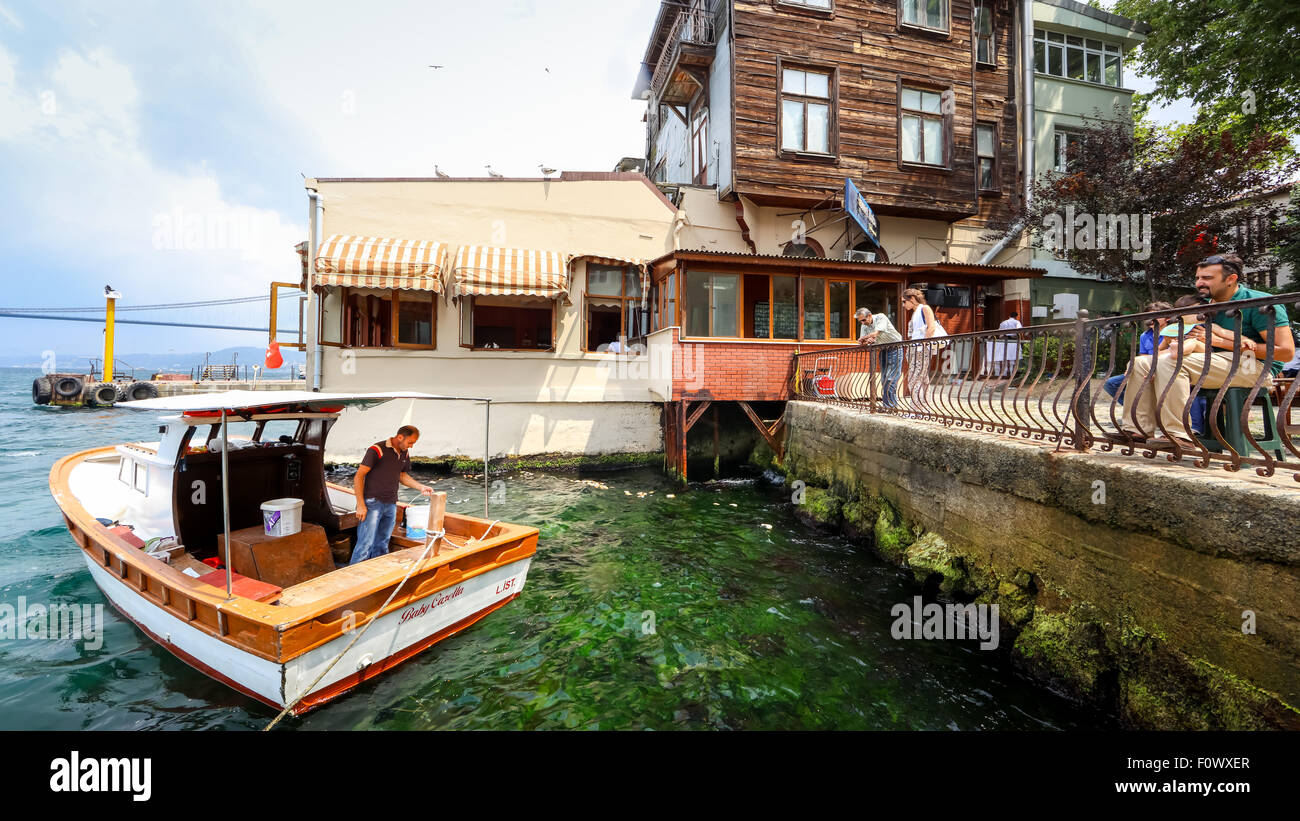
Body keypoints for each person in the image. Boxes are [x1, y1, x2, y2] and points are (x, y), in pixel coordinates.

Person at [1124, 255, 1295, 447]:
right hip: (1212, 361)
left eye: (1207, 278)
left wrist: (1220, 341)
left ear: (1231, 279)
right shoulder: (1204, 306)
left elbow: (1285, 352)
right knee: (1139, 364)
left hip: (1253, 365)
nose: (1199, 283)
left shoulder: (1259, 302)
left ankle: (1178, 435)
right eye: (1198, 278)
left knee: (1171, 362)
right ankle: (1136, 430)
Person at [350, 425, 436, 565]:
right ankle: (352, 579)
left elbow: (402, 476)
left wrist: (421, 487)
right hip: (372, 504)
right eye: (410, 442)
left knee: (383, 544)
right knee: (365, 545)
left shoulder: (404, 452)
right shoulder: (376, 450)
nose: (411, 446)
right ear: (400, 437)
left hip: (390, 504)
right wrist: (360, 504)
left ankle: (378, 575)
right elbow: (359, 476)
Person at [902, 288, 946, 410]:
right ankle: (924, 407)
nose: (903, 305)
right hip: (915, 349)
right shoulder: (915, 312)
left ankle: (917, 409)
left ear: (911, 299)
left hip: (921, 349)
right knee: (921, 378)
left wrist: (924, 345)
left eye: (904, 302)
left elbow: (931, 327)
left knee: (914, 378)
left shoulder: (924, 308)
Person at [856, 306, 903, 409]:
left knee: (890, 378)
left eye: (863, 320)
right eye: (860, 321)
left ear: (869, 315)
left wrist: (864, 338)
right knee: (884, 379)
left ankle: (890, 406)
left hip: (895, 347)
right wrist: (864, 342)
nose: (862, 323)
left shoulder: (880, 317)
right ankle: (889, 406)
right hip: (883, 349)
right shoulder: (864, 325)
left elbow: (876, 333)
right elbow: (864, 343)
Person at [991, 311, 1023, 379]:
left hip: (1003, 340)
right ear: (1016, 317)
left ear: (1009, 316)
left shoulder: (1003, 322)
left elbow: (999, 332)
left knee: (1003, 356)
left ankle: (1001, 372)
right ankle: (1011, 372)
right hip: (1013, 340)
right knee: (1013, 356)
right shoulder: (1017, 322)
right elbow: (1019, 331)